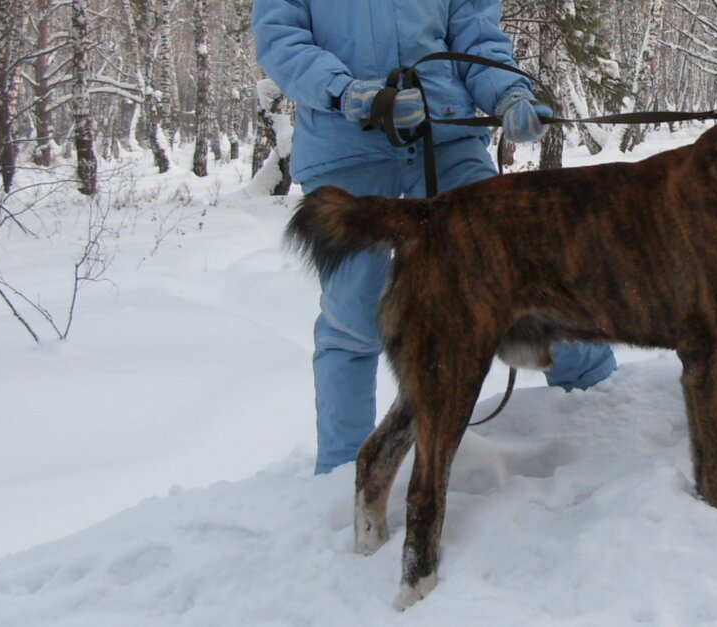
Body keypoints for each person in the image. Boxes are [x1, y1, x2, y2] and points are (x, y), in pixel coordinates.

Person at [252, 0, 618, 474]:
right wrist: (347, 92)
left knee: (526, 260)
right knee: (355, 306)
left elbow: (476, 37)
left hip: (442, 131)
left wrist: (509, 94)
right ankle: (344, 470)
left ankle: (604, 404)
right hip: (345, 144)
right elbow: (281, 39)